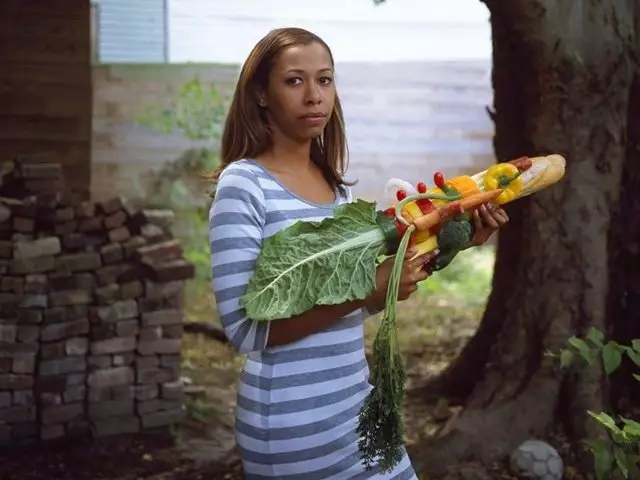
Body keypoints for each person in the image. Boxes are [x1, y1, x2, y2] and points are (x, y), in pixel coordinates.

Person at [208, 27, 509, 479]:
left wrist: (454, 244)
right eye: (294, 81)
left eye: (324, 80)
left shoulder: (335, 189)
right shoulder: (244, 185)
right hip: (293, 427)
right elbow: (245, 329)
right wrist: (371, 287)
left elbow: (348, 306)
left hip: (359, 414)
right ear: (261, 94)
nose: (314, 95)